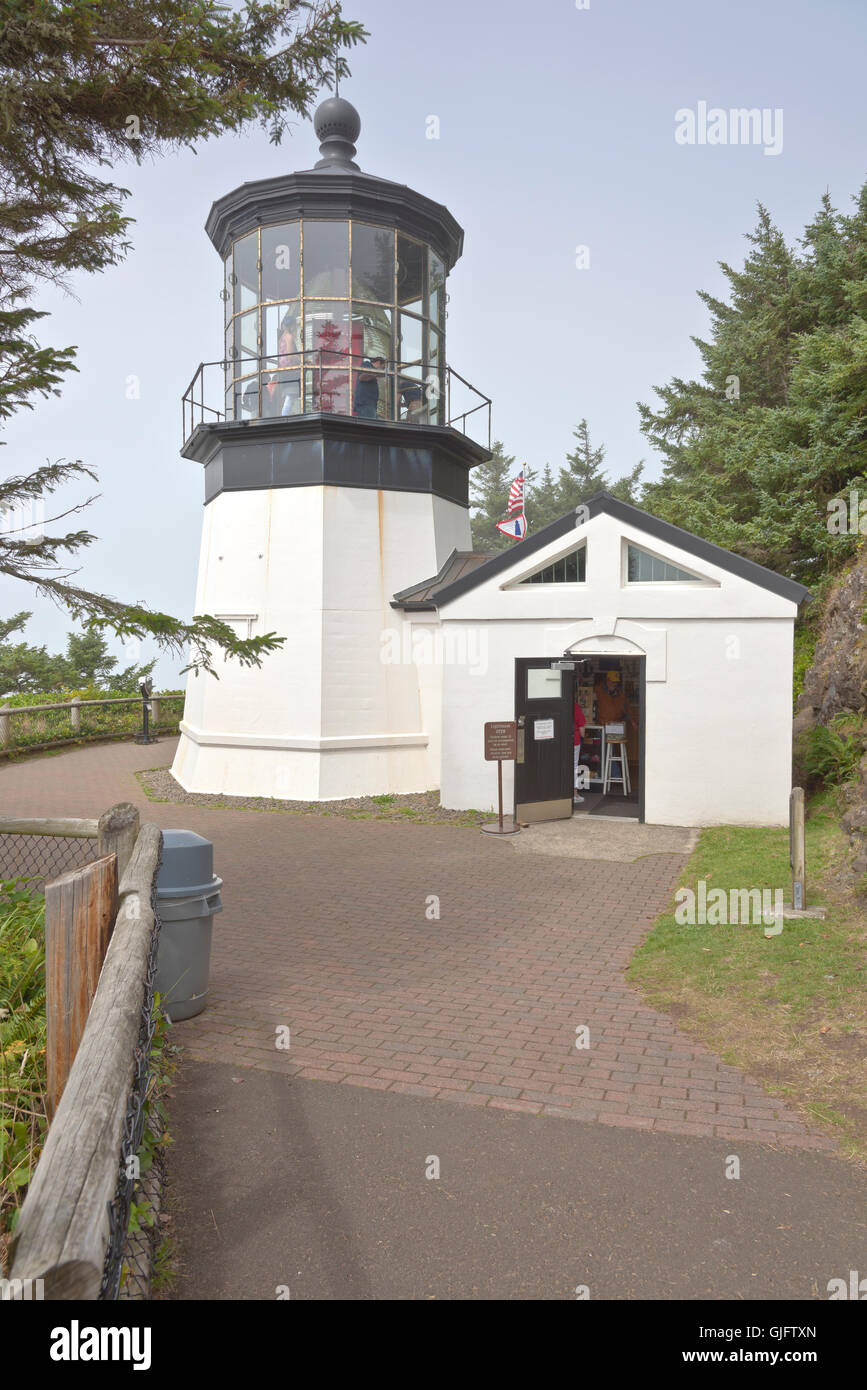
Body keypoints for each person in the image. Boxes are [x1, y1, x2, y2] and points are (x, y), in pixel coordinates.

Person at [573, 690, 587, 804]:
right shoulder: (576, 707)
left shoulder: (560, 706)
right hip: (574, 741)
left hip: (561, 742)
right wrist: (584, 738)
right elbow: (582, 729)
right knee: (574, 767)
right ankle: (574, 794)